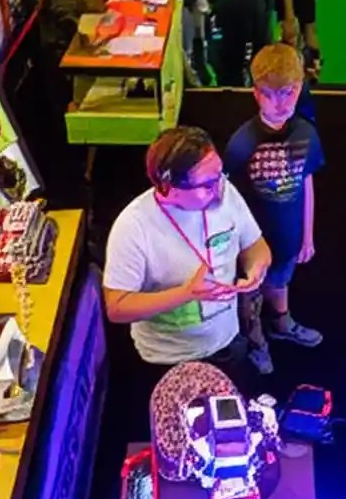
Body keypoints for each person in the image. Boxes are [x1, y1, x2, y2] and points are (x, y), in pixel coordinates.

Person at [103, 126, 273, 394]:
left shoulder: (224, 191)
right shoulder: (133, 226)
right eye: (206, 185)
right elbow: (117, 307)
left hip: (228, 341)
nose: (218, 190)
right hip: (167, 360)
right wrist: (185, 294)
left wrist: (255, 270)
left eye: (219, 176)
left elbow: (256, 246)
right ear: (168, 187)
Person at [223, 44, 323, 375]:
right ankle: (255, 340)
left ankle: (282, 322)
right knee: (251, 293)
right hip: (252, 241)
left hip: (289, 231)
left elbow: (307, 182)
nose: (281, 103)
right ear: (256, 94)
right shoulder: (242, 142)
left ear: (300, 90)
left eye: (289, 93)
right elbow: (226, 196)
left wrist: (307, 235)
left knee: (281, 279)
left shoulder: (306, 134)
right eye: (270, 94)